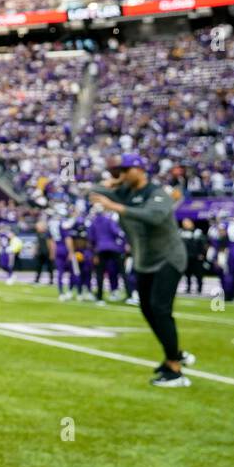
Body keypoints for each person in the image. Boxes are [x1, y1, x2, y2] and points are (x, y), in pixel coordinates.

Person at [89, 153, 194, 387]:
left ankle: (175, 371)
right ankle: (174, 353)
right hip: (144, 260)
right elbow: (91, 193)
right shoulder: (125, 192)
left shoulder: (157, 193)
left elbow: (154, 217)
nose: (122, 175)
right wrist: (109, 185)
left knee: (160, 307)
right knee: (146, 309)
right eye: (119, 172)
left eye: (125, 171)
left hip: (169, 258)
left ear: (139, 170)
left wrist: (116, 206)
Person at [178, 218, 207, 295]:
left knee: (198, 274)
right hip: (186, 256)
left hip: (196, 256)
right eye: (184, 223)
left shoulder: (197, 232)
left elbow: (203, 244)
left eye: (187, 223)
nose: (185, 225)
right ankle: (188, 287)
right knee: (187, 274)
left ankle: (200, 288)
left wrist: (202, 254)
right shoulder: (181, 232)